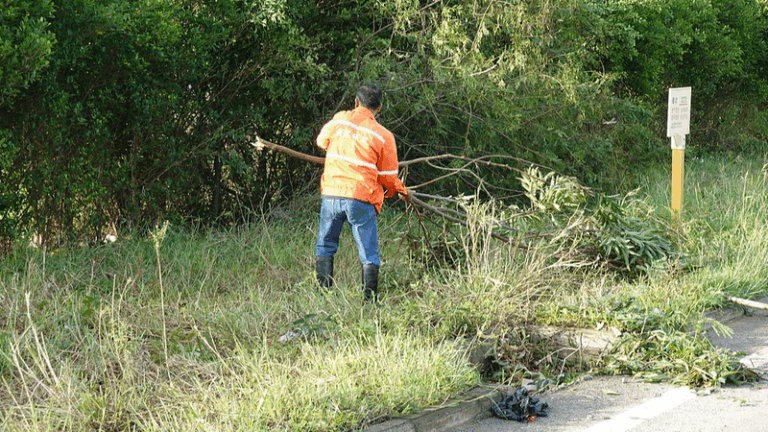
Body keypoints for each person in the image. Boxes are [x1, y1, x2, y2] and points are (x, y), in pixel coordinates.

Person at [314, 84, 411, 301]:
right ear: (380, 108)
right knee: (368, 252)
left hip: (331, 194)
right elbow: (388, 177)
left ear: (356, 102)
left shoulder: (339, 119)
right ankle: (369, 301)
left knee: (325, 244)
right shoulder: (383, 136)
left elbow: (321, 142)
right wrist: (401, 190)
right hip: (360, 198)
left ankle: (323, 297)